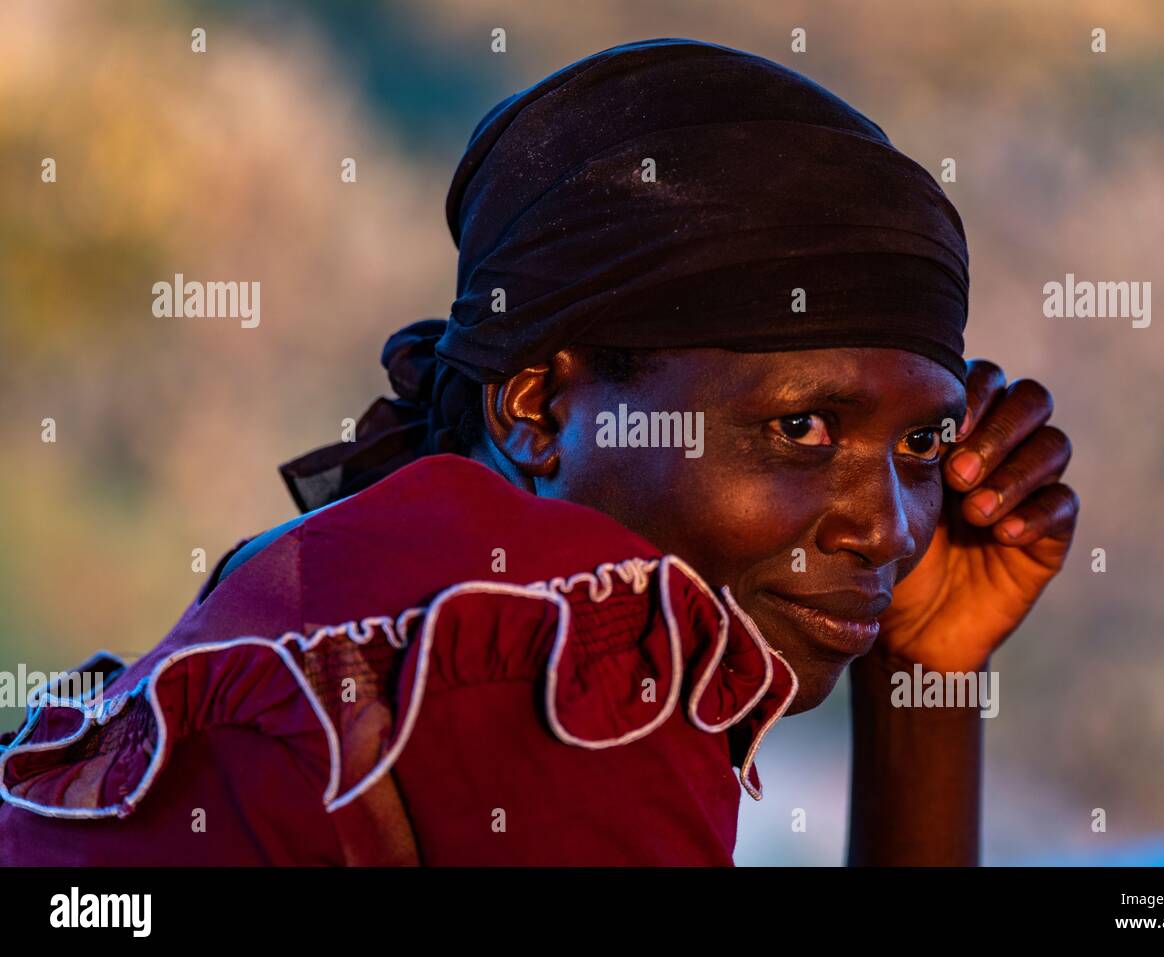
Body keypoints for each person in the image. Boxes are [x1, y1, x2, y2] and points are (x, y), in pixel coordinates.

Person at [0, 37, 1076, 866]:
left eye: (924, 444)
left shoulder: (347, 599)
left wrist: (928, 675)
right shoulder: (556, 654)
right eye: (800, 428)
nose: (886, 525)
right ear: (540, 410)